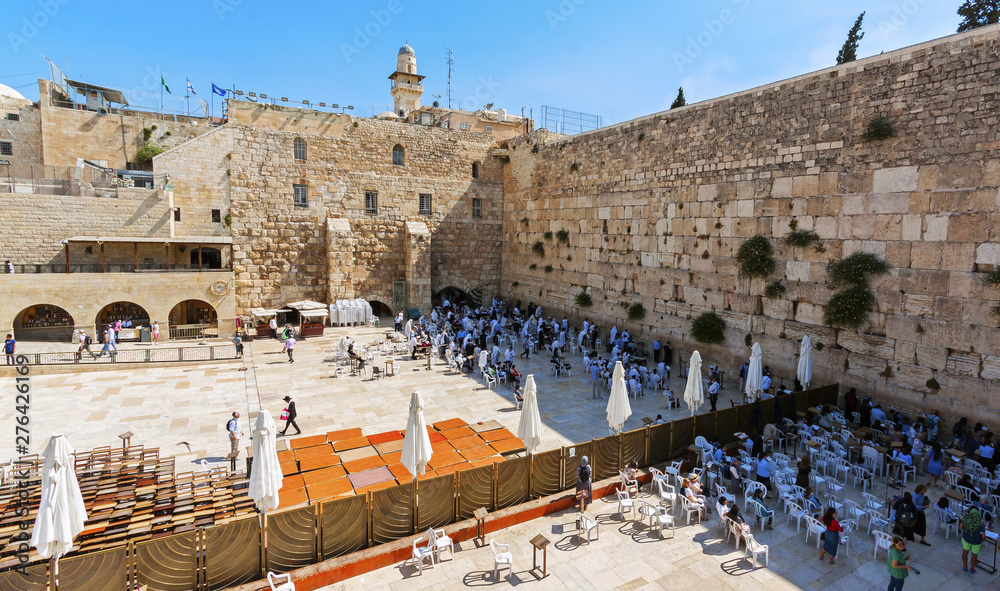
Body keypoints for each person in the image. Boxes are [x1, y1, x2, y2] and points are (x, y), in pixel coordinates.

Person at [960, 505, 986, 573]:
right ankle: (972, 569)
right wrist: (982, 540)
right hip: (976, 542)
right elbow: (983, 536)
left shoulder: (965, 519)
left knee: (965, 553)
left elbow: (961, 527)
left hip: (966, 539)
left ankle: (965, 567)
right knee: (974, 556)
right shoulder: (980, 524)